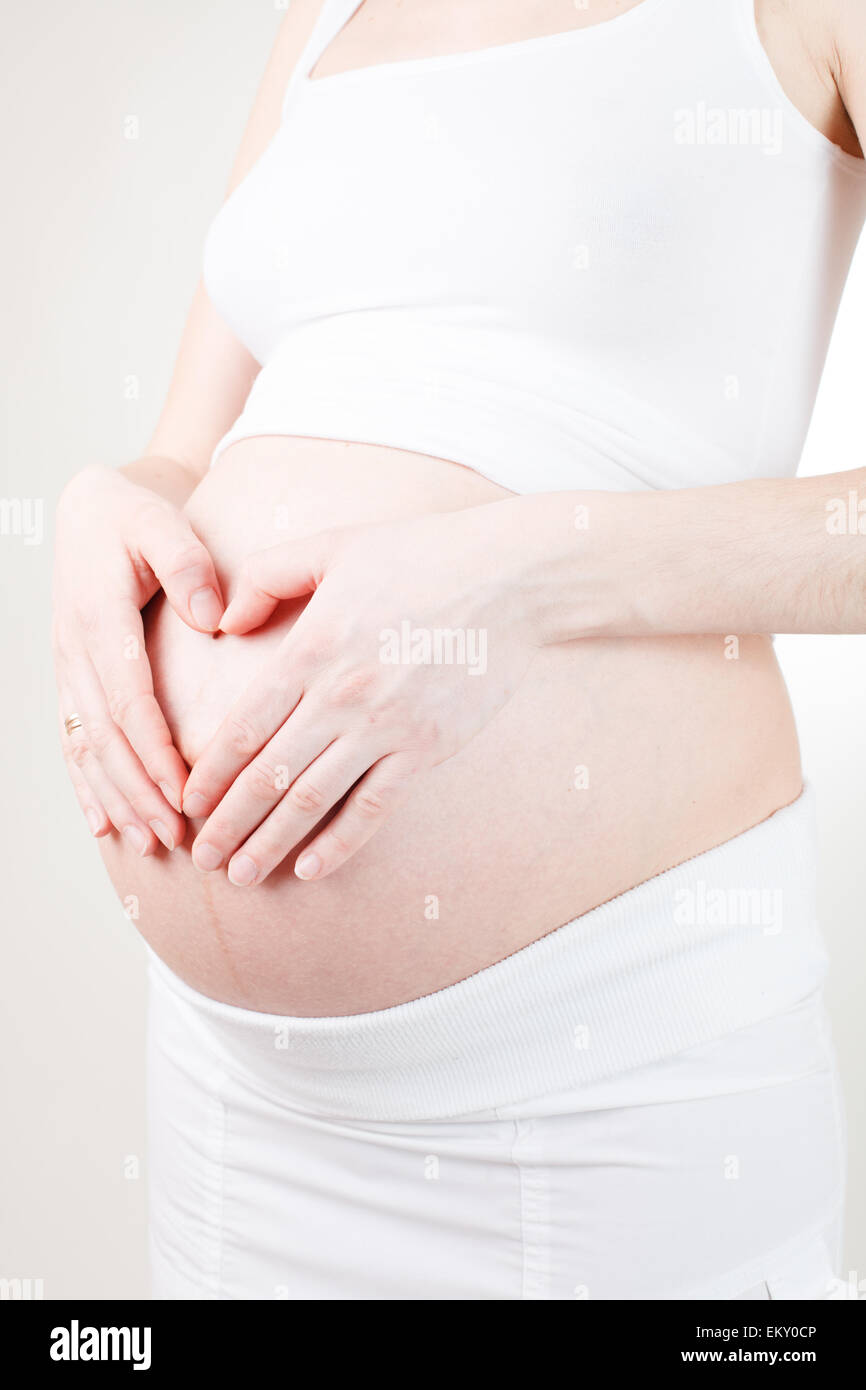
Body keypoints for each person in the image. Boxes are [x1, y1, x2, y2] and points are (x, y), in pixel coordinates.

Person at [52, 0, 866, 1299]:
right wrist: (105, 503)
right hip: (235, 1099)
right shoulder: (323, 20)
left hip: (603, 1084)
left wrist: (518, 577)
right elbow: (187, 447)